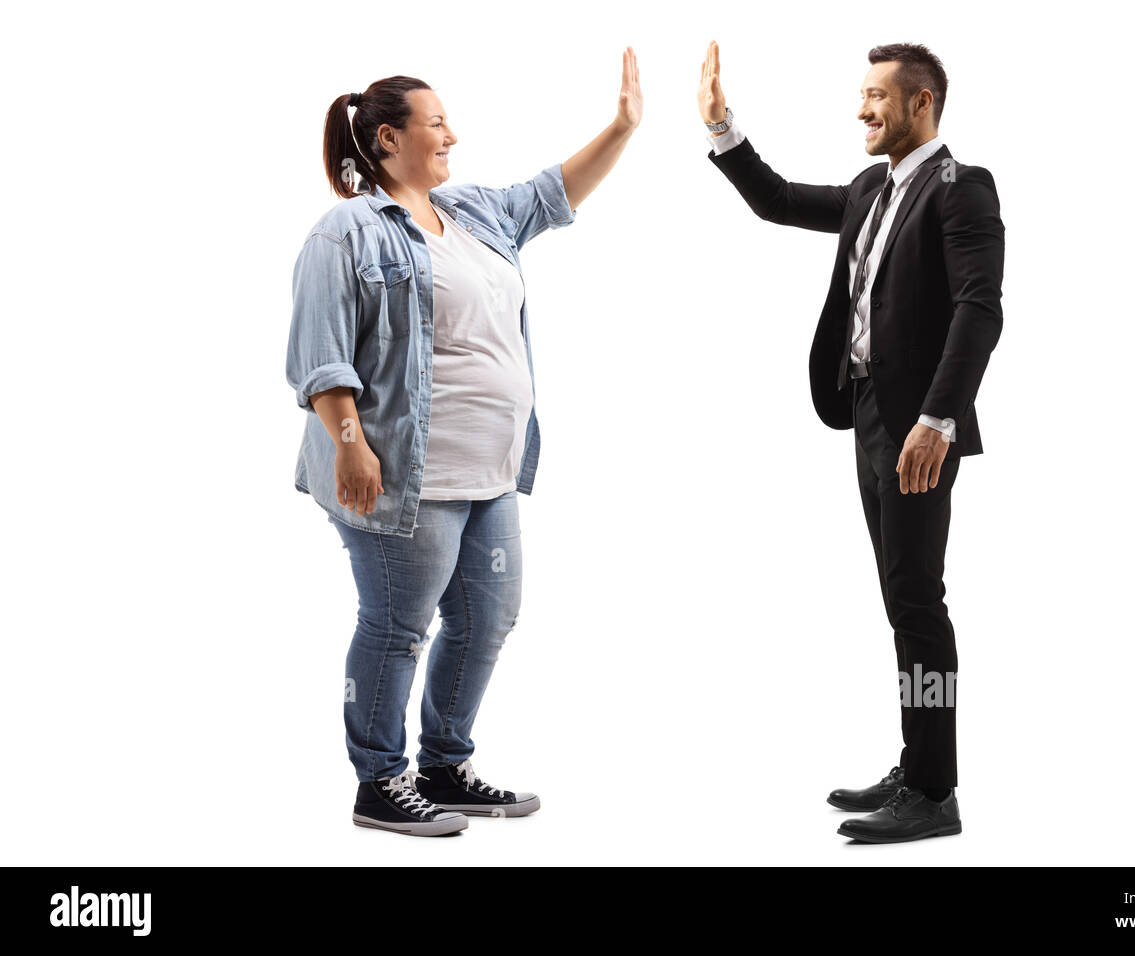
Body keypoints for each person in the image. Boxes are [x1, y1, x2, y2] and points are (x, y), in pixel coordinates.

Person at [287, 51, 642, 837]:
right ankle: (380, 782)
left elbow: (554, 192)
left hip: (490, 472)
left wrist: (621, 127)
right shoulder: (345, 230)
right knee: (396, 626)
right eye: (437, 122)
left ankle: (445, 766)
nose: (454, 134)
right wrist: (350, 443)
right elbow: (321, 354)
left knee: (488, 617)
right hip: (405, 477)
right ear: (387, 140)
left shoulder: (476, 213)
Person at [698, 41, 1003, 843]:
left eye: (877, 97)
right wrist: (723, 127)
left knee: (917, 604)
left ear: (922, 104)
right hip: (866, 413)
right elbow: (776, 199)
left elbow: (980, 308)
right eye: (861, 95)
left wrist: (938, 420)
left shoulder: (959, 189)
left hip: (916, 431)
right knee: (901, 601)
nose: (862, 110)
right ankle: (918, 761)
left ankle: (935, 792)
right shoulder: (875, 186)